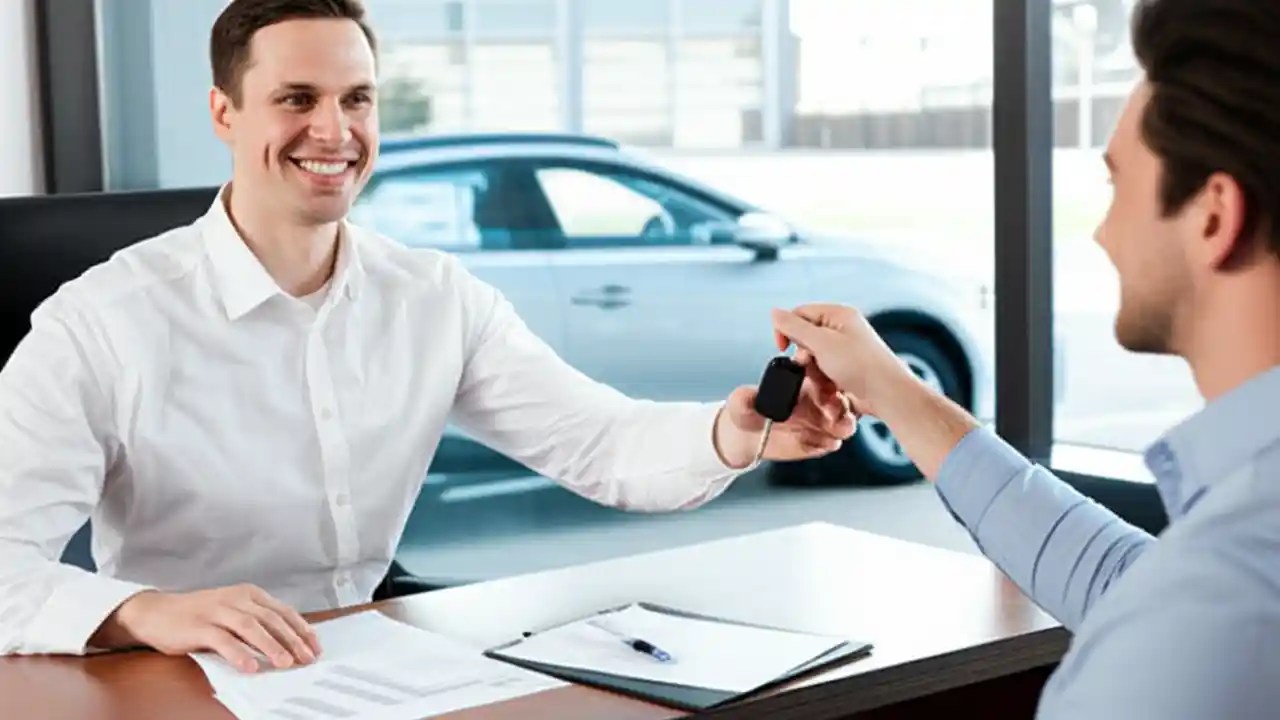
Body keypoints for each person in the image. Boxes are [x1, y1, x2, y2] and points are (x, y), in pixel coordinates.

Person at [0, 0, 854, 671]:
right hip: (176, 674)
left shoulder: (433, 296)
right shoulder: (102, 321)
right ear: (224, 113)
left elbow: (598, 442)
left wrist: (737, 431)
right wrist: (145, 610)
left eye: (356, 99)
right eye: (296, 98)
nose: (334, 131)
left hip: (370, 655)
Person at [771, 1, 1280, 717]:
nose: (1102, 233)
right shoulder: (1229, 564)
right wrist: (894, 391)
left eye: (1116, 183)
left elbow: (1177, 611)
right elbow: (1130, 583)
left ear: (1213, 217)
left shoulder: (1213, 618)